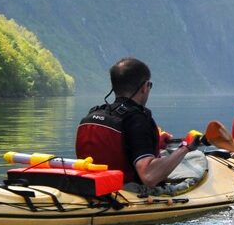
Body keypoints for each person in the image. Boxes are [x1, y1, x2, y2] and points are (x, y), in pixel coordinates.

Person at [75, 57, 200, 187]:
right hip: (128, 195)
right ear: (145, 87)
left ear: (114, 86)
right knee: (199, 159)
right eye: (149, 85)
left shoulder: (92, 115)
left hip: (93, 188)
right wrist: (186, 147)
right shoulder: (137, 120)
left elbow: (121, 145)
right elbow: (148, 176)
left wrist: (154, 142)